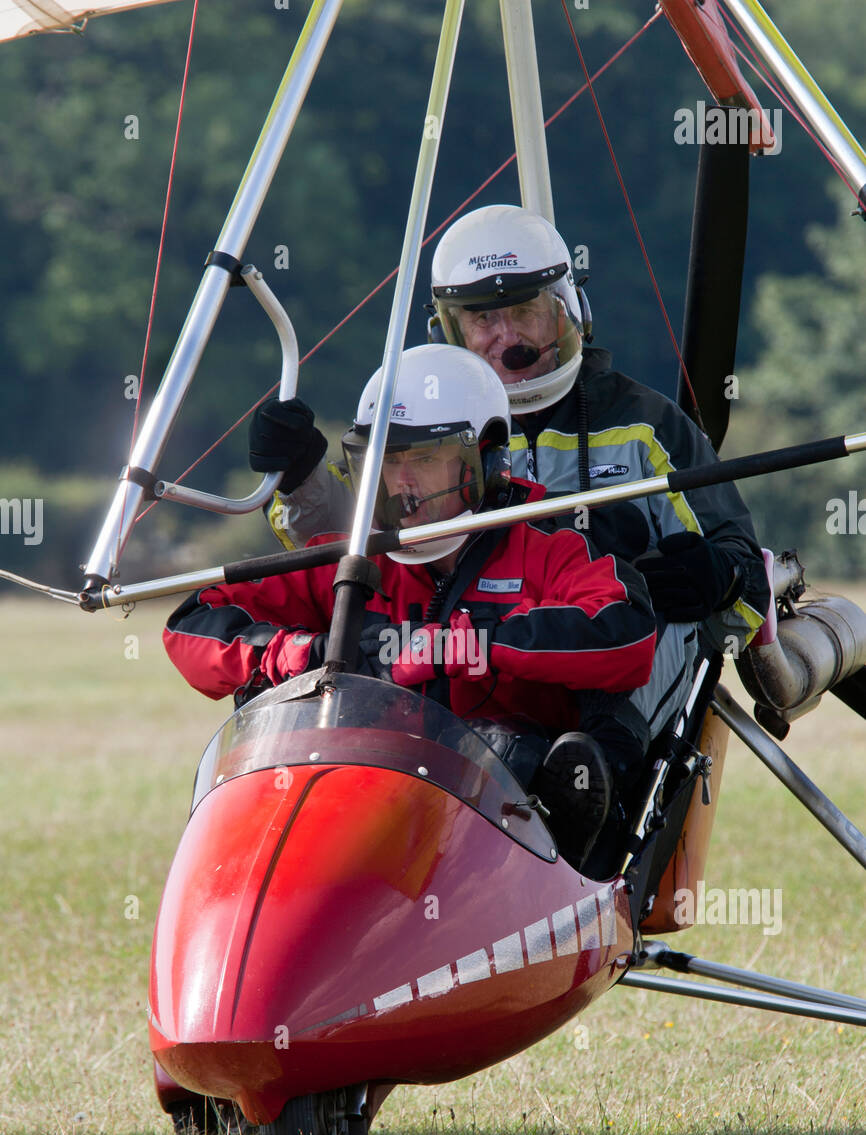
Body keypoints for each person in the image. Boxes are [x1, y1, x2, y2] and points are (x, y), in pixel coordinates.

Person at [253, 204, 770, 746]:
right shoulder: (425, 427)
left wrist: (720, 577)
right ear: (448, 328)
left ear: (566, 309)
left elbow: (747, 585)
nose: (507, 339)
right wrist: (302, 477)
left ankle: (599, 773)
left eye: (524, 311)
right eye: (482, 319)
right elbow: (367, 549)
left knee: (656, 625)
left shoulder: (646, 423)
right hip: (465, 675)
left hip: (605, 670)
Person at [166, 345, 657, 866]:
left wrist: (474, 644)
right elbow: (191, 624)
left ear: (487, 459)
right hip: (362, 815)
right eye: (384, 461)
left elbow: (624, 630)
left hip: (513, 832)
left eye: (423, 460)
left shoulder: (549, 545)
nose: (401, 486)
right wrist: (292, 655)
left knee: (546, 748)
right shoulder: (344, 557)